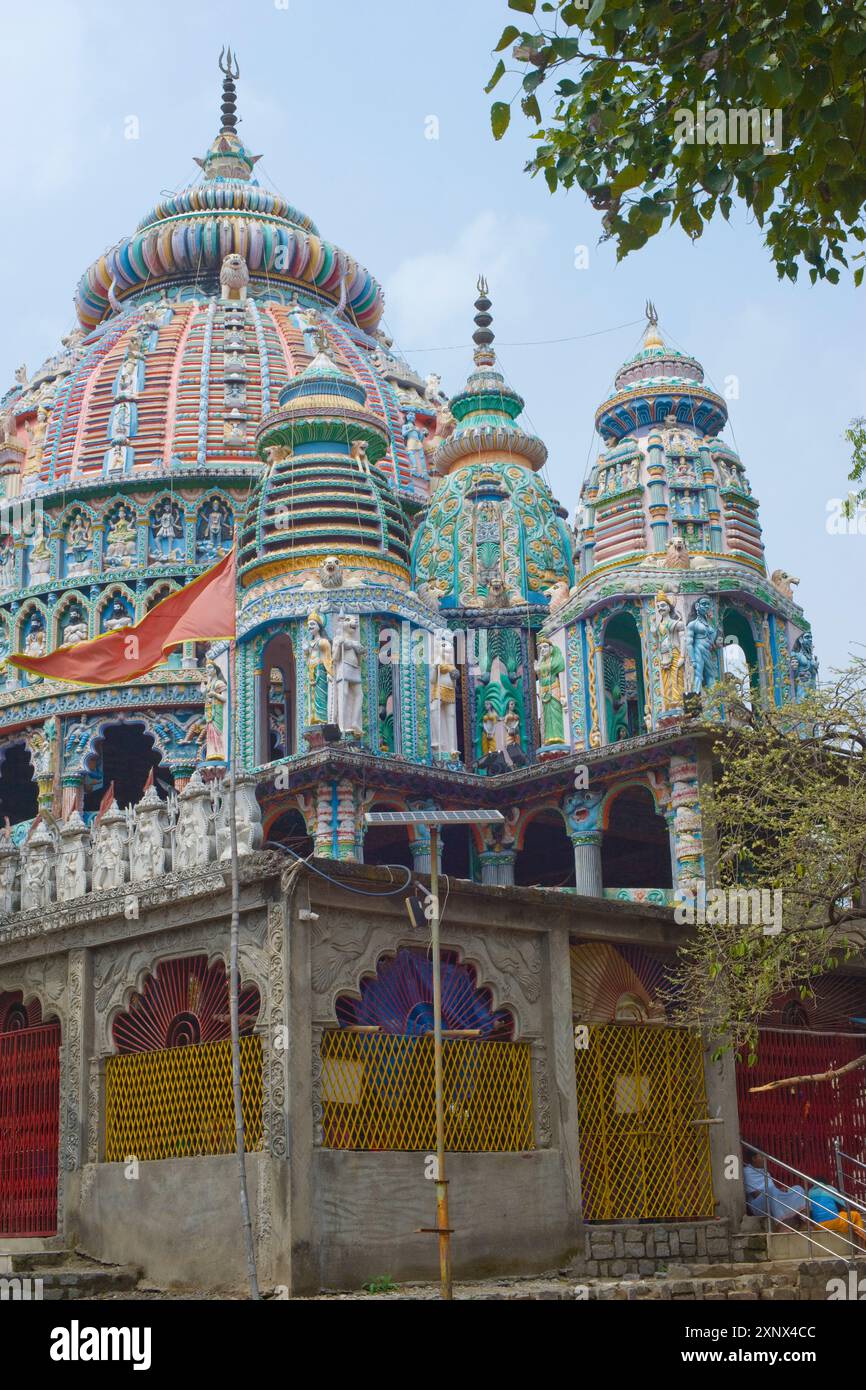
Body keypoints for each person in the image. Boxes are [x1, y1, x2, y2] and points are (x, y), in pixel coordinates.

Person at [743, 1149, 808, 1228]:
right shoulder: (747, 1172)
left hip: (771, 1198)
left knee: (798, 1188)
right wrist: (776, 1192)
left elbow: (773, 1192)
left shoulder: (766, 1172)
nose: (765, 1159)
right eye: (762, 1156)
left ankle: (804, 1221)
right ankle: (781, 1225)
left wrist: (780, 1191)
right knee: (771, 1191)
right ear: (754, 1158)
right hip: (757, 1206)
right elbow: (755, 1195)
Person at [807, 1175, 866, 1244]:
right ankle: (863, 1241)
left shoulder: (810, 1192)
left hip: (818, 1225)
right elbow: (844, 1204)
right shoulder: (830, 1189)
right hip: (833, 1222)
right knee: (856, 1215)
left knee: (845, 1218)